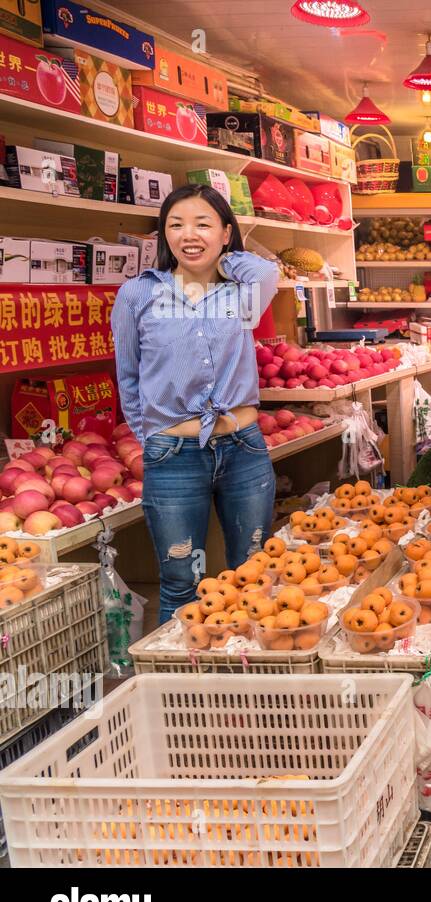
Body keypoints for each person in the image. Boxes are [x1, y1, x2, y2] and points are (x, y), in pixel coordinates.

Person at [110, 184, 281, 625]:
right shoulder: (138, 295)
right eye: (176, 225)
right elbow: (128, 376)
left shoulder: (241, 296)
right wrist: (151, 436)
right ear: (163, 235)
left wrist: (223, 259)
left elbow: (266, 271)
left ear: (226, 232)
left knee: (255, 574)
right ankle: (179, 688)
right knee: (180, 580)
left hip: (243, 448)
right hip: (174, 456)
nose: (189, 234)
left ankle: (253, 682)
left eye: (203, 224)